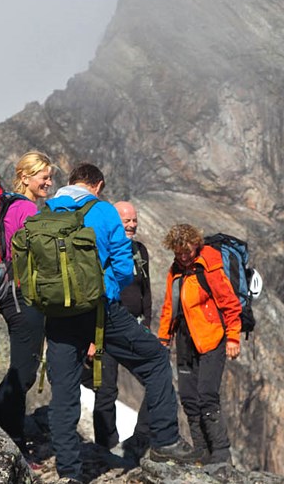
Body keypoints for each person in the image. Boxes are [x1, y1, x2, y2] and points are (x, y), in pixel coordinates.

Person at [42, 163, 197, 482]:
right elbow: (125, 269)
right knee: (155, 360)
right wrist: (106, 288)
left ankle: (69, 472)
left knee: (64, 392)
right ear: (97, 186)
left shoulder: (46, 211)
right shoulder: (104, 212)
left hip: (57, 312)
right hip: (100, 310)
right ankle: (165, 440)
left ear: (70, 182)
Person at [157, 223, 242, 464]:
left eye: (187, 251)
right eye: (178, 252)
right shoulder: (175, 270)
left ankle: (221, 454)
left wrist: (233, 337)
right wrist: (163, 338)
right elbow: (169, 306)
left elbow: (230, 304)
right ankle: (201, 453)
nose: (183, 257)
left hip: (211, 338)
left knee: (207, 396)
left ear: (196, 245)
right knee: (189, 398)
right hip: (185, 340)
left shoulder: (209, 265)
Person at [0, 151, 52, 454]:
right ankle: (8, 439)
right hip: (23, 295)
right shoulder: (27, 209)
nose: (48, 183)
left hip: (8, 293)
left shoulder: (8, 204)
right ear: (25, 177)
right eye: (44, 177)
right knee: (24, 371)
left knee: (20, 369)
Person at [89, 201, 152, 460]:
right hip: (104, 328)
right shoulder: (100, 248)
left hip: (134, 327)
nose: (132, 225)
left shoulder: (139, 251)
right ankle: (105, 446)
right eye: (127, 220)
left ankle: (141, 438)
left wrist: (147, 325)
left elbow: (146, 292)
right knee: (105, 390)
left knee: (155, 379)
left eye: (134, 220)